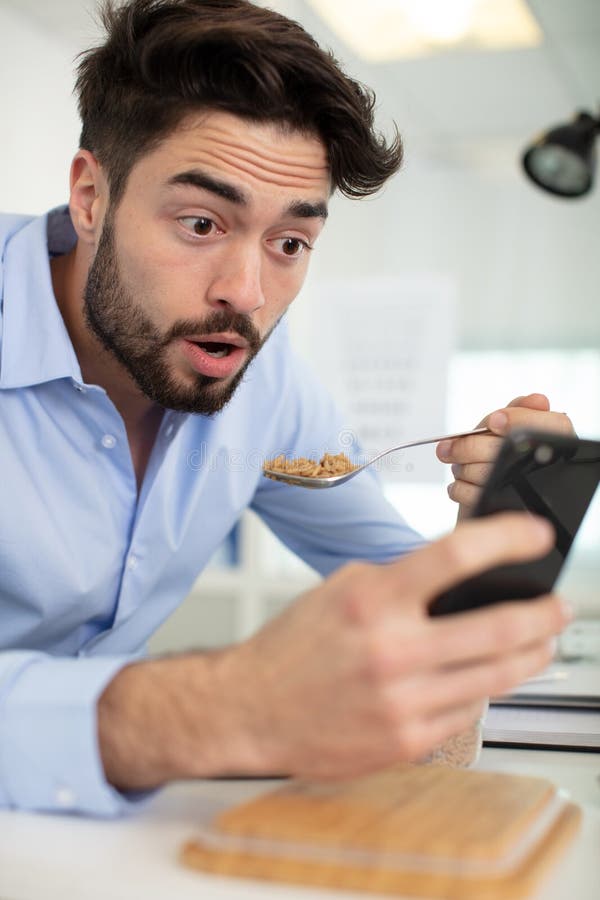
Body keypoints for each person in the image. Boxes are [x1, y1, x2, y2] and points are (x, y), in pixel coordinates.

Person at [0, 0, 574, 817]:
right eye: (201, 223)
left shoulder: (259, 381)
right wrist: (214, 708)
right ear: (92, 197)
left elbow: (399, 588)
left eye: (290, 243)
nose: (248, 294)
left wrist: (512, 519)